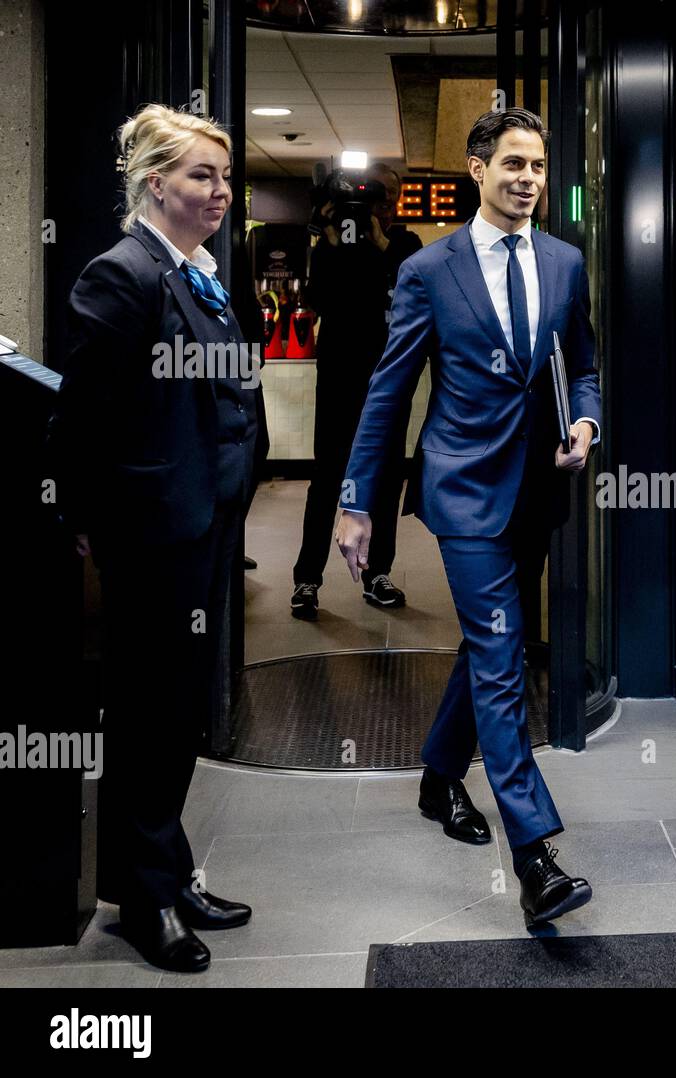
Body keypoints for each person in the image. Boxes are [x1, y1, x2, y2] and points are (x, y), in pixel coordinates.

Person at [335, 107, 602, 928]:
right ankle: (535, 857)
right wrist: (355, 501)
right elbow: (388, 392)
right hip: (463, 489)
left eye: (538, 167)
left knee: (495, 640)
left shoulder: (564, 261)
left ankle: (439, 773)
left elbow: (582, 364)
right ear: (477, 171)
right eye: (512, 163)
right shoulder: (430, 270)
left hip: (538, 490)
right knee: (501, 652)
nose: (528, 178)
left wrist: (586, 421)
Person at [45, 103, 257, 973]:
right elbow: (79, 423)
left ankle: (167, 868)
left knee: (178, 716)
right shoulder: (121, 275)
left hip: (202, 529)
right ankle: (143, 902)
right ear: (155, 182)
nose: (219, 192)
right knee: (145, 718)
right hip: (152, 541)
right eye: (202, 175)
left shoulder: (198, 272)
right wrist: (90, 528)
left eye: (224, 176)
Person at [289, 162, 423, 619]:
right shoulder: (331, 243)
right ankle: (307, 579)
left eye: (388, 198)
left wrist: (378, 242)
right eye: (374, 197)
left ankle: (377, 573)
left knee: (386, 479)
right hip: (340, 378)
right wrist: (326, 242)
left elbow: (407, 290)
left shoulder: (404, 244)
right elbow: (317, 299)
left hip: (388, 380)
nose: (381, 206)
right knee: (327, 478)